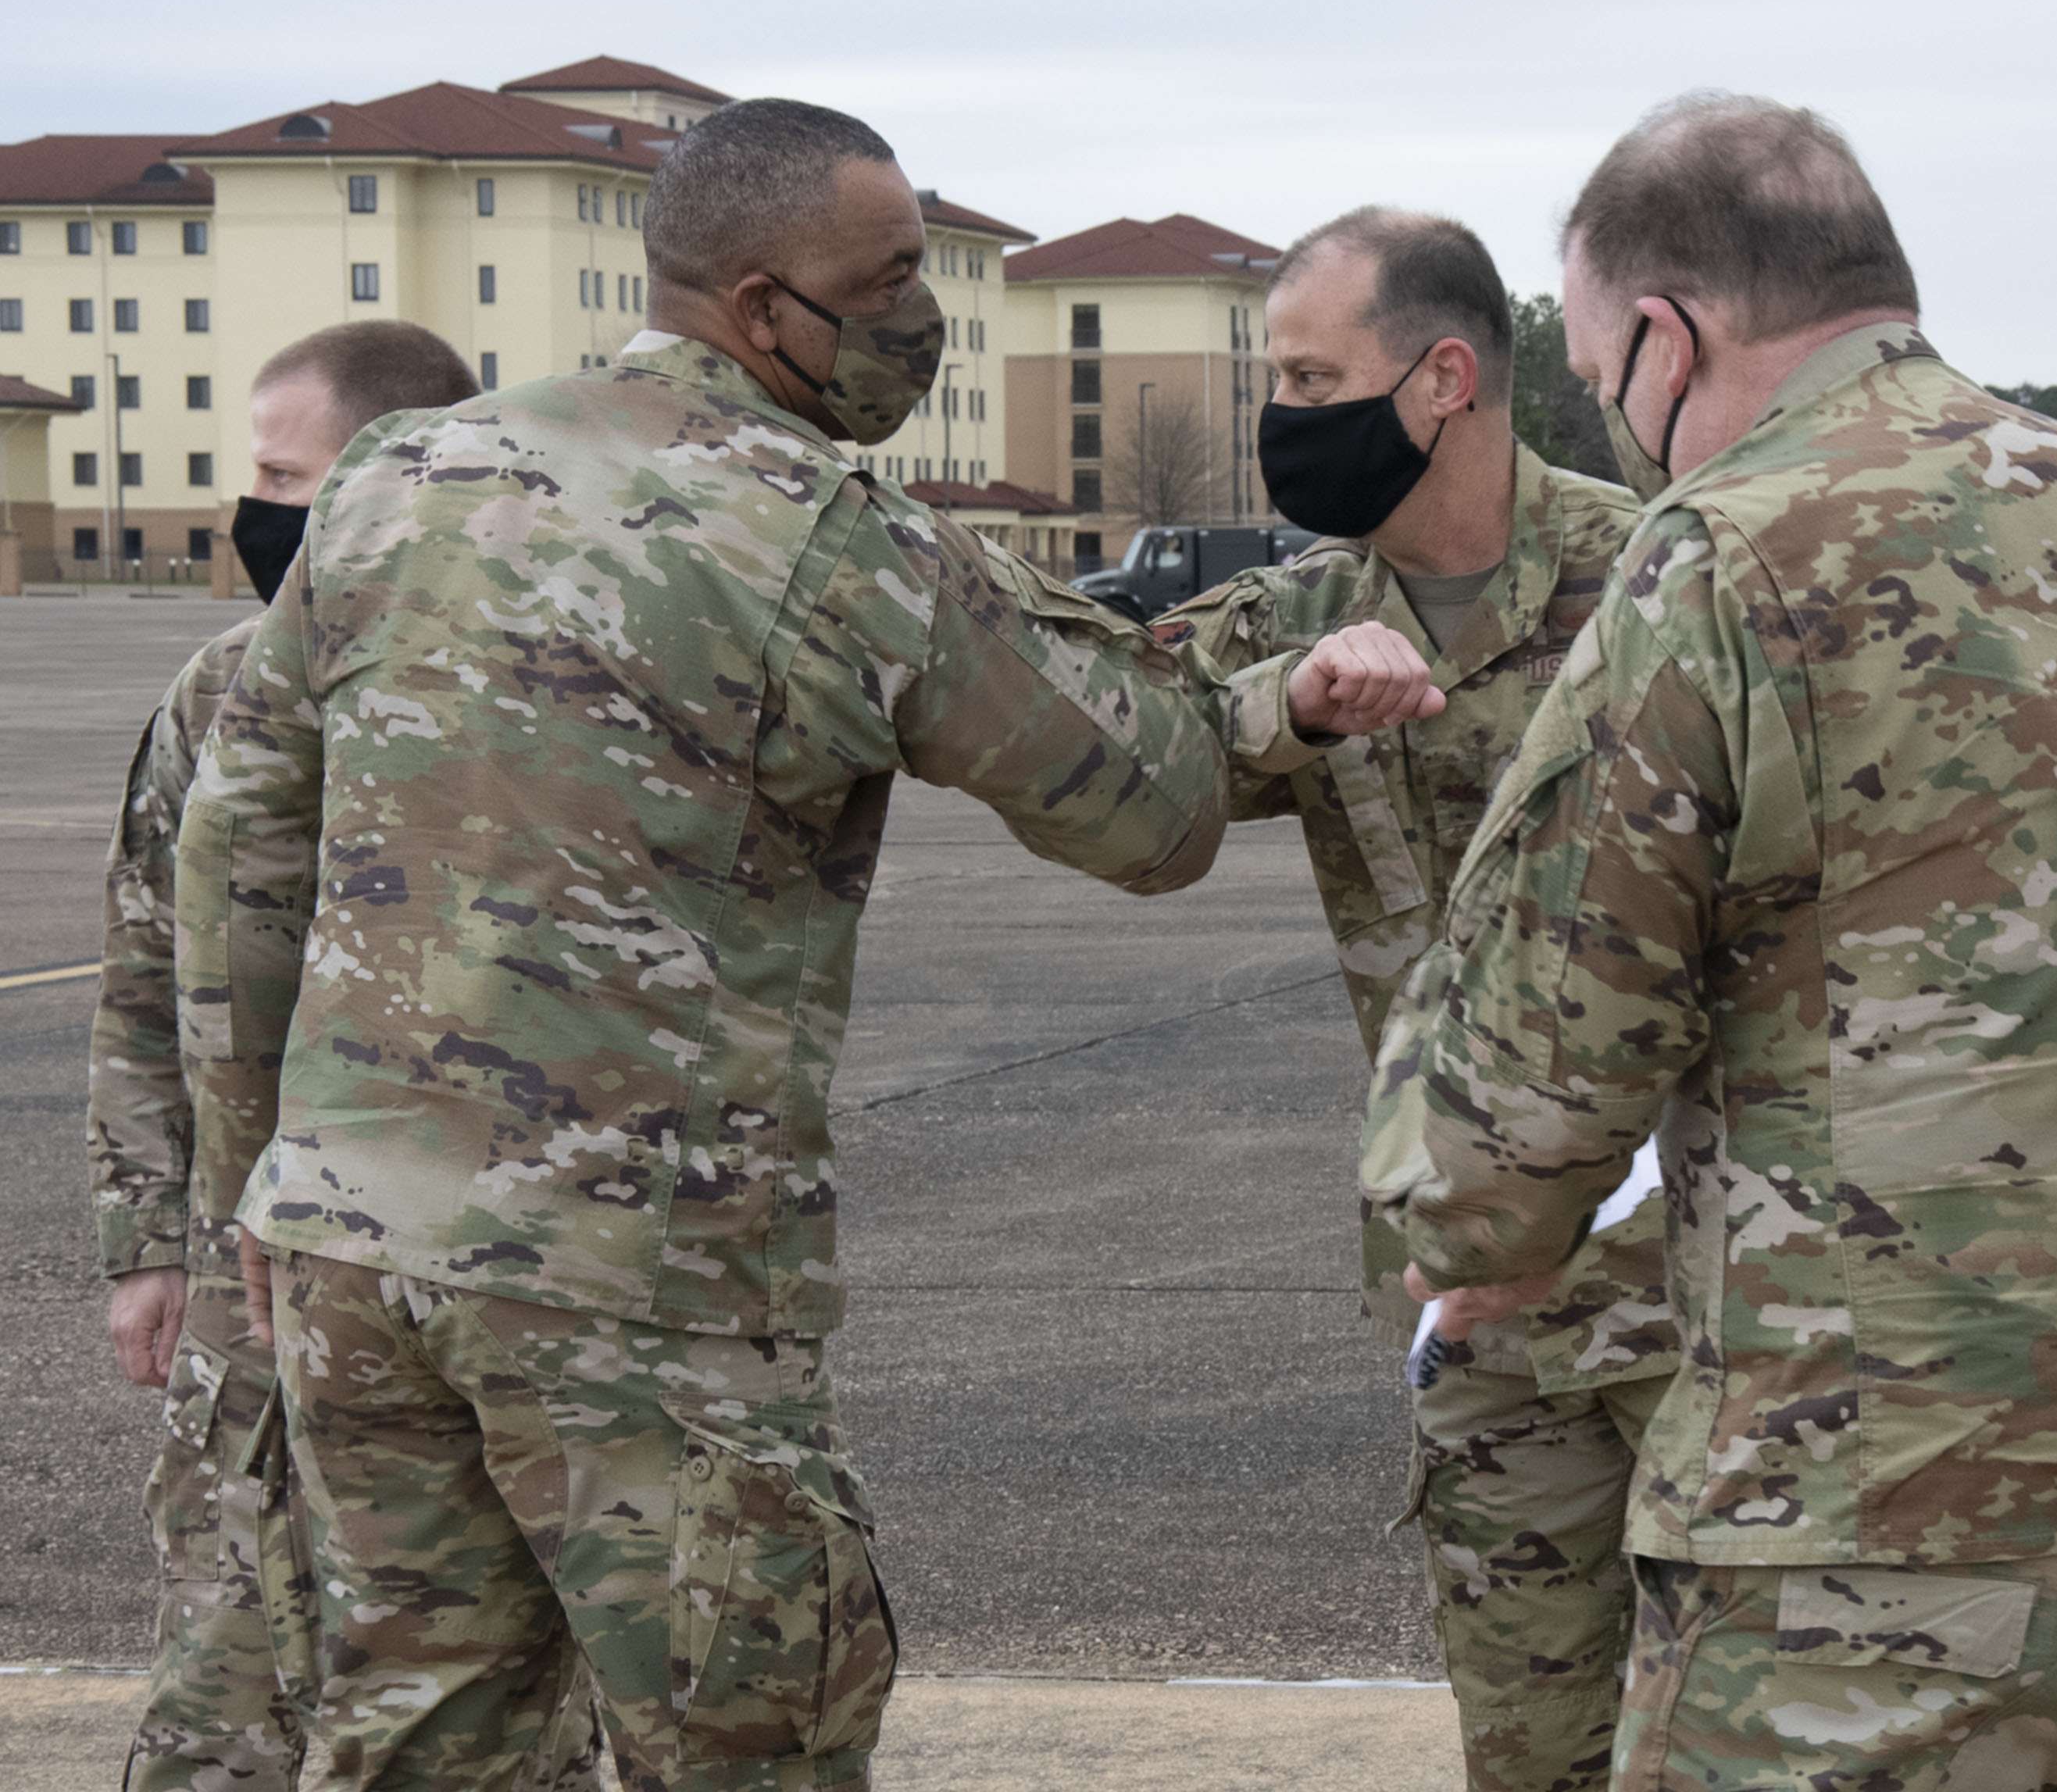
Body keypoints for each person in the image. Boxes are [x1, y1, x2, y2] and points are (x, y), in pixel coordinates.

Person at [175, 98, 1428, 1791]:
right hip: (635, 1283)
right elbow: (1141, 807)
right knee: (749, 1736)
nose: (923, 312)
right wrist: (1288, 698)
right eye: (891, 277)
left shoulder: (399, 477)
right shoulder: (826, 530)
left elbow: (242, 853)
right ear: (764, 308)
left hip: (348, 1262)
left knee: (415, 1732)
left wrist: (253, 1189)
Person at [1362, 91, 2057, 1791]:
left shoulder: (1713, 557)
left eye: (1601, 379)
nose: (1618, 430)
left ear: (1666, 338)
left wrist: (1457, 1232)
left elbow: (1524, 1087)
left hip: (1865, 1515)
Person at [1155, 206, 1674, 1792]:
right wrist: (1290, 708)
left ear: (1444, 379)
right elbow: (1119, 773)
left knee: (1758, 1732)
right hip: (1472, 1277)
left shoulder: (1662, 578)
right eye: (1276, 379)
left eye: (1314, 379)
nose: (1284, 416)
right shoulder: (1300, 617)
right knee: (1530, 1742)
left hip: (1703, 1282)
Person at [88, 321, 612, 1791]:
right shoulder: (216, 692)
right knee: (227, 1677)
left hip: (457, 1276)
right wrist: (148, 1243)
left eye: (282, 477)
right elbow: (144, 973)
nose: (251, 510)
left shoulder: (537, 683)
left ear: (396, 476)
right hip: (245, 1290)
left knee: (476, 1686)